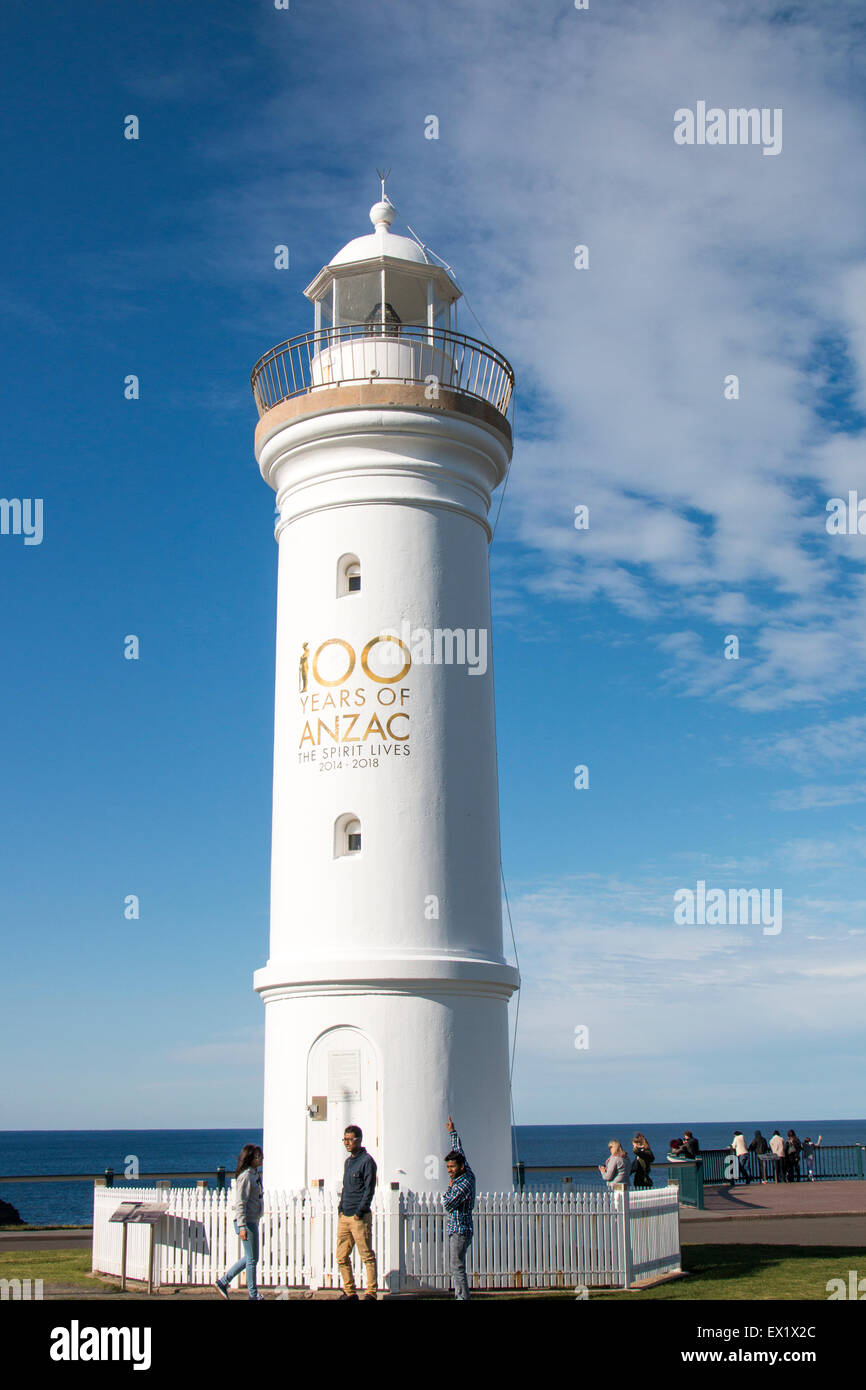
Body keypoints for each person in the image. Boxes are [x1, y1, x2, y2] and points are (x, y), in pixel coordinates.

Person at [215, 1143, 264, 1301]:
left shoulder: (255, 1175)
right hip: (246, 1221)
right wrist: (242, 1226)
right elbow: (240, 1202)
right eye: (258, 1156)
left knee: (252, 1258)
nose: (261, 1158)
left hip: (252, 1220)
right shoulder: (246, 1176)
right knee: (251, 1259)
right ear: (250, 1158)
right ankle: (253, 1294)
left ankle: (224, 1282)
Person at [337, 1124, 378, 1301]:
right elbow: (346, 1187)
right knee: (341, 1256)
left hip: (358, 1216)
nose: (346, 1143)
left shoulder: (367, 1162)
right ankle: (350, 1292)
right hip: (345, 1215)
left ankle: (371, 1292)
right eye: (344, 1139)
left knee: (366, 1255)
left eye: (349, 1139)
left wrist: (360, 1211)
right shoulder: (348, 1162)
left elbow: (369, 1189)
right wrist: (341, 1208)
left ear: (359, 1140)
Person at [443, 1117, 476, 1301]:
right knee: (456, 1265)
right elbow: (458, 1151)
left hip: (460, 1229)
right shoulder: (467, 1171)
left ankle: (462, 1297)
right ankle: (460, 1295)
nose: (449, 1170)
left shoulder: (463, 1184)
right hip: (458, 1229)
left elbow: (448, 1203)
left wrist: (448, 1187)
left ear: (460, 1167)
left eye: (452, 1166)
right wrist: (452, 1132)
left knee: (457, 1265)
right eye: (447, 1166)